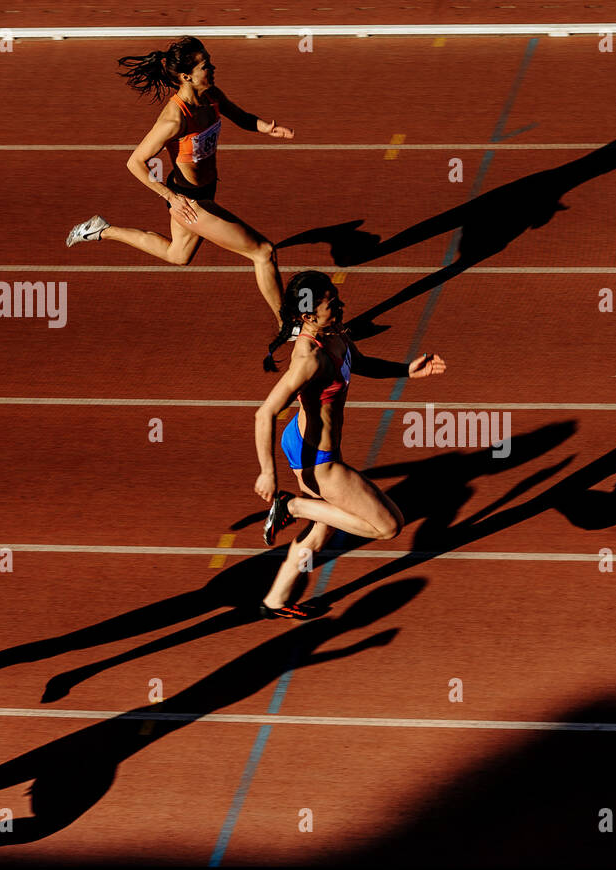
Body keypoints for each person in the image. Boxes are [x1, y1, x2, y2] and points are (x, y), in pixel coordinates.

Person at [66, 36, 294, 331]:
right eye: (205, 65)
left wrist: (266, 128)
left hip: (204, 189)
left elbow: (239, 115)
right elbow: (134, 162)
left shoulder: (211, 94)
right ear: (187, 76)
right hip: (189, 200)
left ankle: (103, 230)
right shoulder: (174, 119)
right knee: (263, 251)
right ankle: (288, 326)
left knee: (179, 255)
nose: (212, 67)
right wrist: (171, 197)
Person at [253, 271, 447, 618]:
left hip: (311, 442)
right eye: (331, 304)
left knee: (325, 525)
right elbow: (264, 413)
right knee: (388, 526)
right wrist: (268, 473)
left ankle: (274, 600)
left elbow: (359, 362)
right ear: (308, 314)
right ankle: (291, 507)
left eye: (337, 299)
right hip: (317, 460)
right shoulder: (308, 360)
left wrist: (407, 370)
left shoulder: (335, 332)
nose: (340, 307)